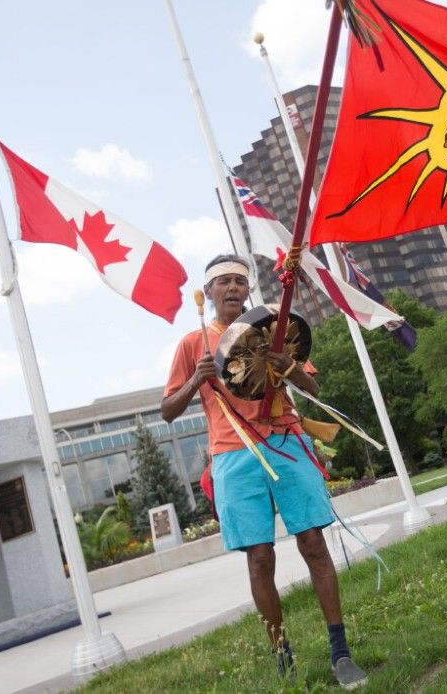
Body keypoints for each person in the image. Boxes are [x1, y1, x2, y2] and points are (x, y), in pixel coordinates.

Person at [162, 254, 368, 690]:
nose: (233, 288)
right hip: (233, 456)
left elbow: (313, 387)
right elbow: (167, 412)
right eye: (224, 282)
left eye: (240, 281)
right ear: (210, 292)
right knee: (260, 557)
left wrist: (286, 364)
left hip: (286, 441)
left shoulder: (273, 327)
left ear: (249, 289)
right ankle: (282, 657)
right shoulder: (191, 343)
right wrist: (194, 382)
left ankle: (340, 652)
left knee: (313, 542)